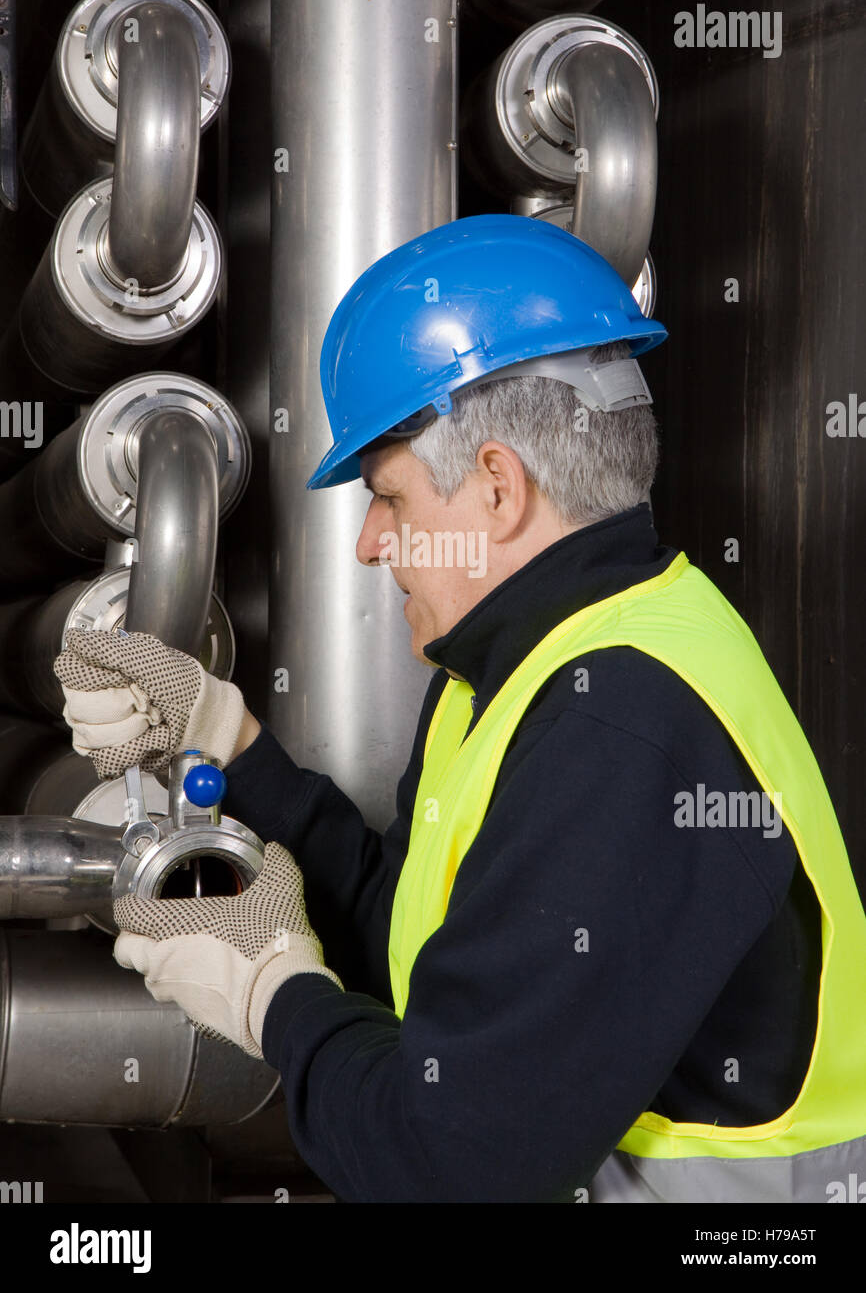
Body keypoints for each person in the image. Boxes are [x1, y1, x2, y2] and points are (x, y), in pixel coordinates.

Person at [53, 215, 866, 1203]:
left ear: (495, 488)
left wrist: (271, 993)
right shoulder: (523, 669)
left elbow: (447, 1165)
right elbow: (431, 946)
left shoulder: (622, 728)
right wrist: (223, 743)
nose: (367, 543)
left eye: (387, 496)